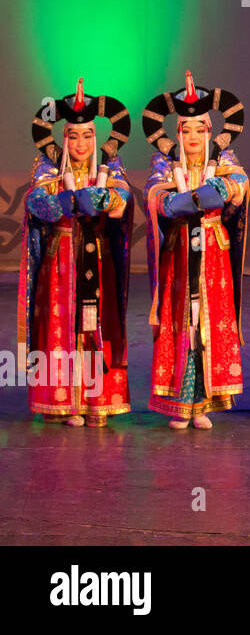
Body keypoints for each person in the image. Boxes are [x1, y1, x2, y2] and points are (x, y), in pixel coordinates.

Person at [19, 79, 133, 427]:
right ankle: (64, 400)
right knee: (61, 325)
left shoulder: (108, 167)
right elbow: (35, 202)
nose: (81, 143)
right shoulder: (47, 167)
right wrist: (62, 202)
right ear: (63, 138)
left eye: (87, 135)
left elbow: (123, 197)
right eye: (73, 136)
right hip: (61, 259)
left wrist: (110, 200)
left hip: (97, 257)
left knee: (95, 324)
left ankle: (96, 400)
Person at [142, 72, 250, 430]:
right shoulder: (166, 163)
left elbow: (240, 184)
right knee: (180, 319)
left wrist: (220, 188)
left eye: (199, 131)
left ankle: (203, 404)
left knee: (207, 320)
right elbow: (155, 194)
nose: (191, 138)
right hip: (179, 253)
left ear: (209, 133)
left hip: (213, 254)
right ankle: (178, 401)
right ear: (177, 134)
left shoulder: (222, 160)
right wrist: (175, 201)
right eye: (185, 130)